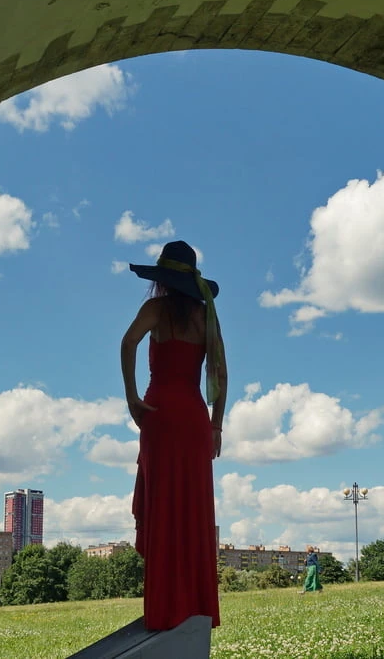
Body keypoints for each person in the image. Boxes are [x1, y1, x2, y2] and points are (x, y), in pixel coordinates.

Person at [122, 240, 227, 631]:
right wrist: (216, 424)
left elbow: (128, 343)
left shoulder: (155, 309)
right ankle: (195, 606)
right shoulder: (206, 318)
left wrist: (132, 398)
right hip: (195, 418)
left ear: (162, 279)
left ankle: (165, 608)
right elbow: (220, 373)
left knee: (164, 508)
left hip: (159, 415)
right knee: (193, 511)